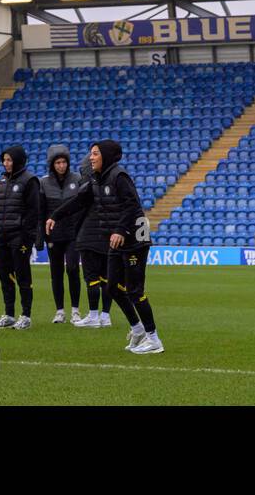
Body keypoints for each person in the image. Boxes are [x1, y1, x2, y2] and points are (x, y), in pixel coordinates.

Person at [48, 140, 162, 353]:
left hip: (135, 238)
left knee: (135, 290)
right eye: (91, 154)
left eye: (95, 154)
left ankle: (153, 338)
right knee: (111, 287)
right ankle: (137, 329)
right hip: (118, 239)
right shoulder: (96, 180)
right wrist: (55, 215)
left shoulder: (119, 177)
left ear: (106, 156)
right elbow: (79, 201)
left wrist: (120, 230)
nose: (91, 158)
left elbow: (133, 206)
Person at [0, 144, 40, 330]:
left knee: (23, 275)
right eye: (4, 160)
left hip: (19, 237)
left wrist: (26, 236)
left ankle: (26, 315)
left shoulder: (30, 180)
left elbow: (34, 211)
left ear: (18, 160)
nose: (6, 163)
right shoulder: (2, 180)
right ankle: (9, 314)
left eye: (9, 160)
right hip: (0, 235)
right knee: (4, 275)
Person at [39, 144, 83, 323]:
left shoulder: (78, 179)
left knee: (72, 269)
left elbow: (82, 205)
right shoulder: (43, 183)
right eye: (58, 162)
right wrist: (40, 236)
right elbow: (41, 212)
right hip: (53, 234)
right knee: (55, 272)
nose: (61, 165)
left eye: (64, 162)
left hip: (73, 233)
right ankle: (60, 311)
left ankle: (75, 310)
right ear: (52, 164)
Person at [70, 153, 111, 328]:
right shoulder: (107, 184)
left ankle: (93, 316)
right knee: (106, 278)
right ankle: (106, 316)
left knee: (92, 278)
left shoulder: (87, 186)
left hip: (89, 238)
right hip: (107, 237)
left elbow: (77, 210)